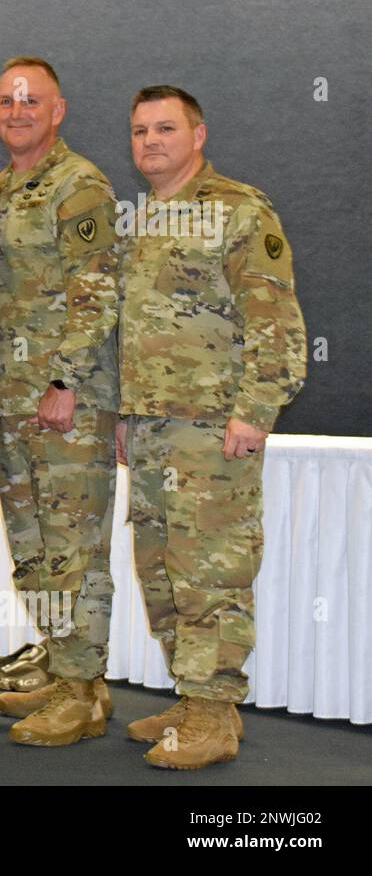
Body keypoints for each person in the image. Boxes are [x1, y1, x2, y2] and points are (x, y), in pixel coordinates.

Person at [119, 85, 306, 769]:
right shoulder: (144, 218)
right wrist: (125, 415)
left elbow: (277, 325)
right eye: (140, 131)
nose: (151, 141)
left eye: (166, 128)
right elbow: (133, 333)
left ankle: (214, 711)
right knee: (162, 566)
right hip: (151, 429)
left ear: (198, 134)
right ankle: (194, 696)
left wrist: (255, 411)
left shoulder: (237, 209)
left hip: (210, 431)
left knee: (211, 569)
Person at [0, 57, 120, 745]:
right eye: (6, 101)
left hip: (65, 404)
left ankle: (81, 688)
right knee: (34, 553)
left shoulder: (79, 185)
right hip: (12, 404)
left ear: (57, 110)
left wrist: (67, 380)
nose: (17, 111)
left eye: (31, 101)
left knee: (74, 553)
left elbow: (97, 290)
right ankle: (73, 683)